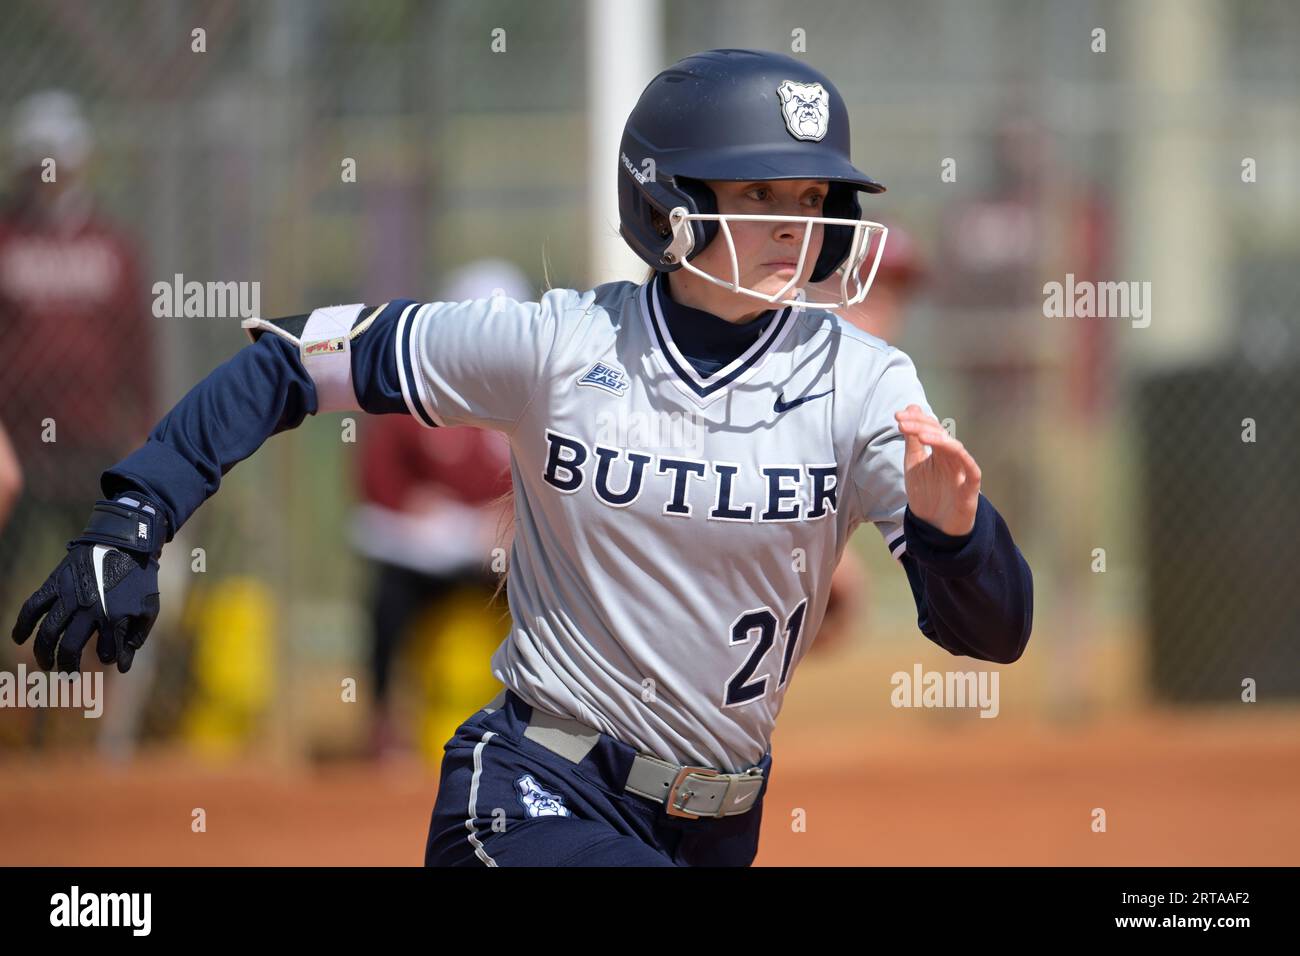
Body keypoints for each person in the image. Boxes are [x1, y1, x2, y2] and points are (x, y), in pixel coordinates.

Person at [10, 49, 1033, 867]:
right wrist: (131, 517)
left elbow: (993, 631)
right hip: (536, 793)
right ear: (667, 201)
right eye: (759, 188)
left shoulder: (866, 382)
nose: (793, 224)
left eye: (811, 197)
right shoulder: (560, 344)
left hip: (719, 823)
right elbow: (289, 361)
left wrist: (955, 535)